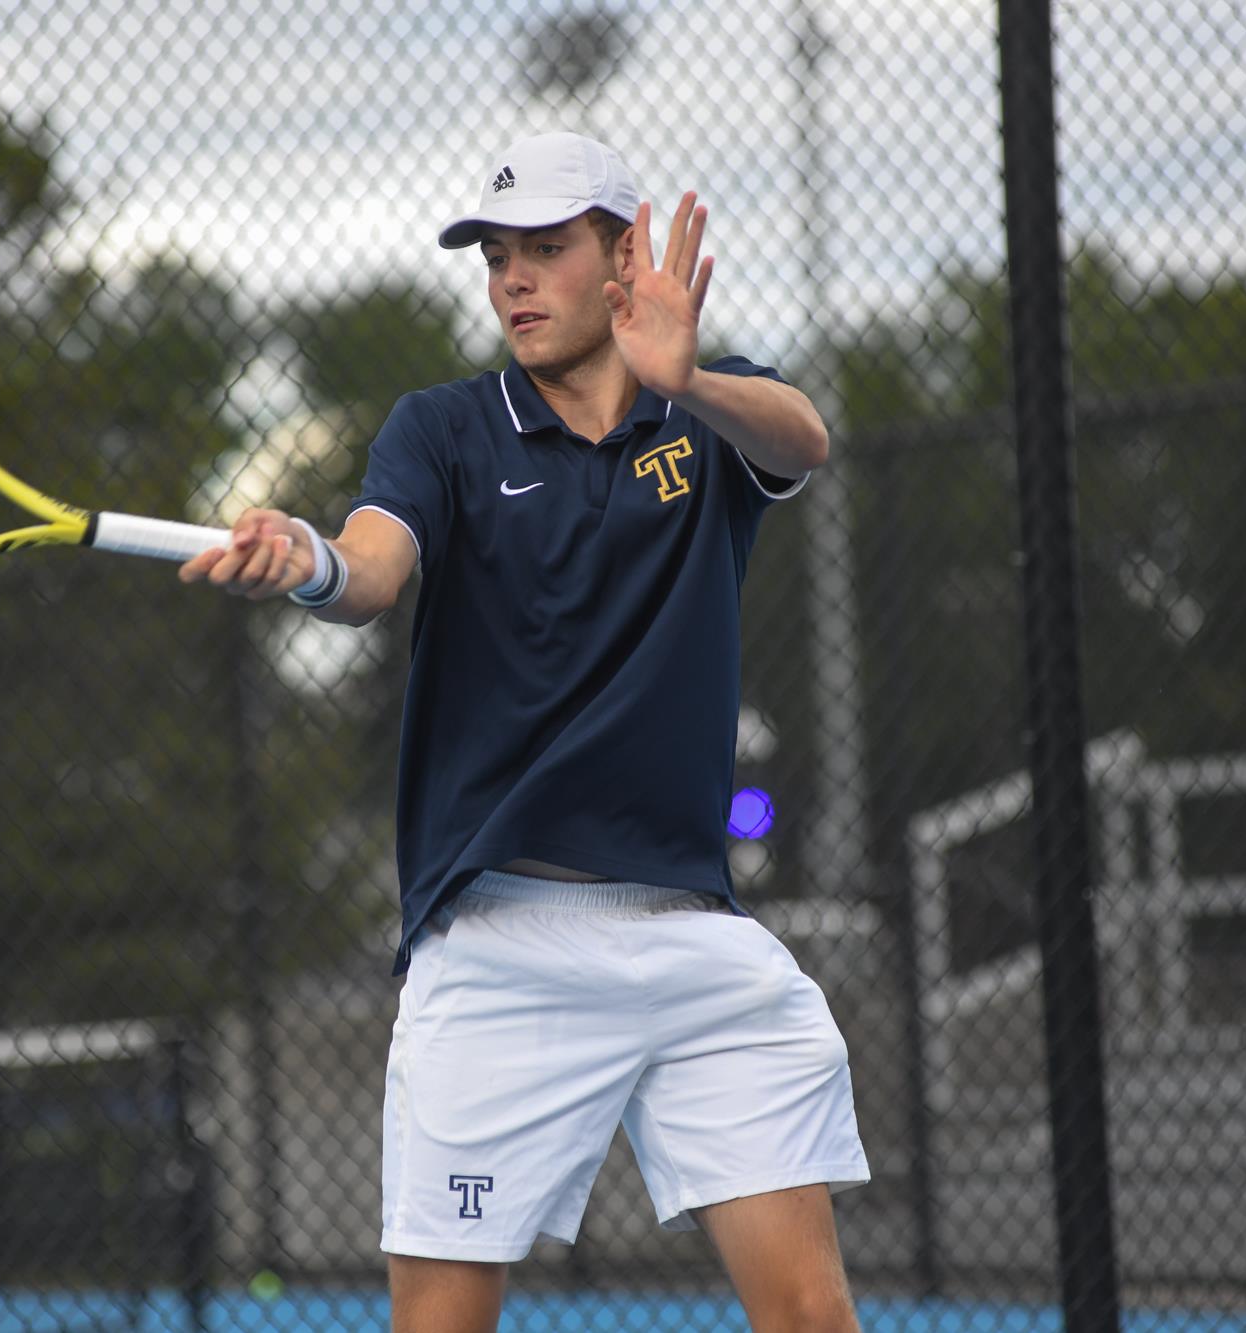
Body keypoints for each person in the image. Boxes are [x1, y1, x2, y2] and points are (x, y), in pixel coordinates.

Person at [180, 131, 868, 1333]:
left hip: (698, 942)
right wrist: (308, 563)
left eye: (545, 249)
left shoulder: (703, 416)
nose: (512, 279)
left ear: (621, 260)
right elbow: (371, 570)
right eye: (496, 255)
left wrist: (687, 380)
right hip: (500, 948)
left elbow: (801, 440)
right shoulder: (441, 429)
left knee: (811, 1314)